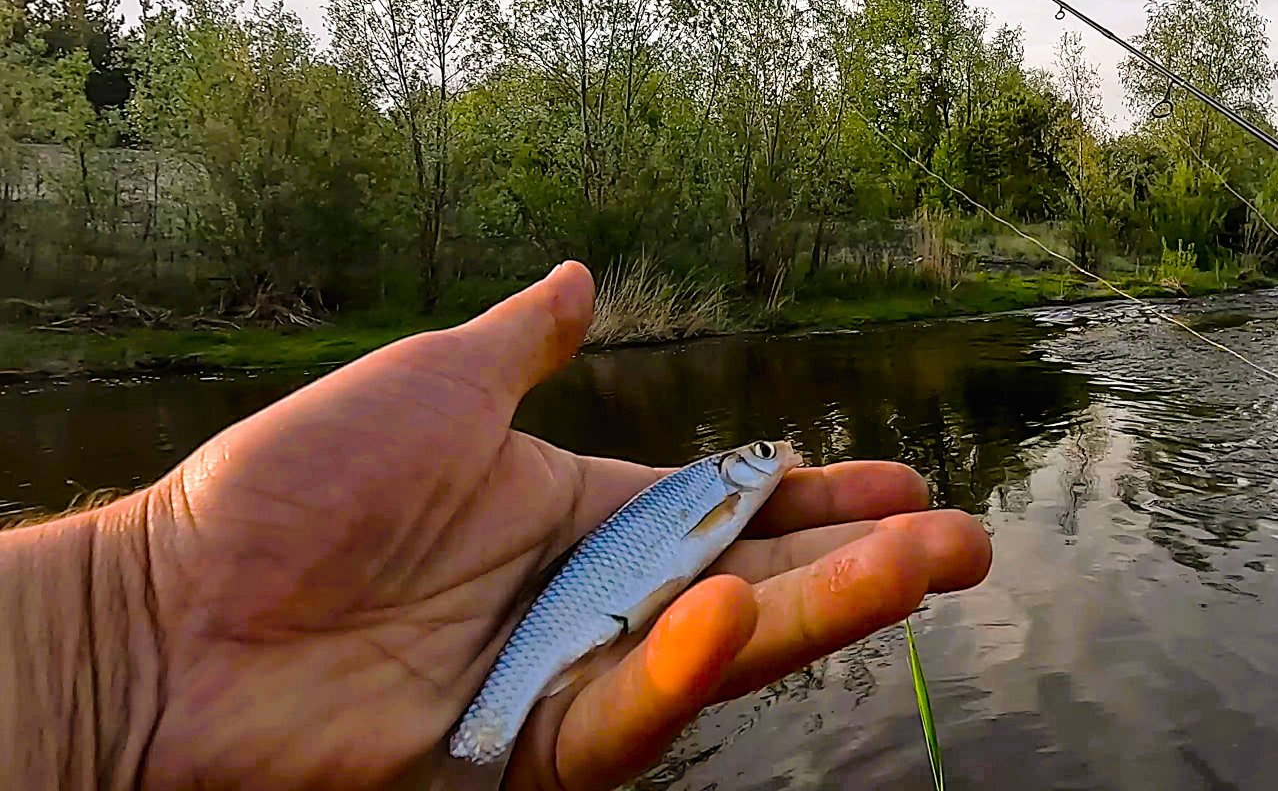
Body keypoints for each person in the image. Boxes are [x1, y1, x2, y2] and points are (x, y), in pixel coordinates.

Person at [0, 262, 993, 789]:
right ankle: (480, 741)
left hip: (586, 599)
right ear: (737, 470)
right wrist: (121, 616)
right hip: (575, 610)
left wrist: (110, 640)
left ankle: (484, 736)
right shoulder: (723, 488)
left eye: (769, 455)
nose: (775, 461)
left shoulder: (725, 491)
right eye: (764, 454)